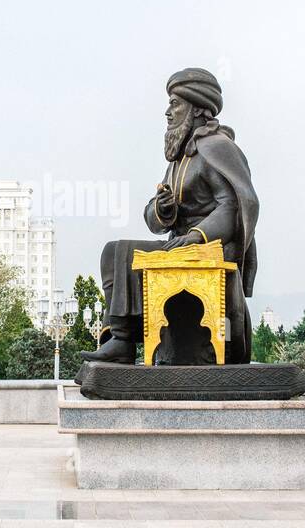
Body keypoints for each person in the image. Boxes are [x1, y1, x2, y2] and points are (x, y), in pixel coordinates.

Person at [83, 67, 259, 364]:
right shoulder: (180, 159)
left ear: (198, 108)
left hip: (206, 250)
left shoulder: (217, 147)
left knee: (119, 251)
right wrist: (162, 209)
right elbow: (154, 219)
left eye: (175, 104)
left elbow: (235, 205)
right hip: (179, 246)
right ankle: (119, 339)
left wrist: (195, 236)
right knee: (112, 251)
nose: (168, 112)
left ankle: (124, 341)